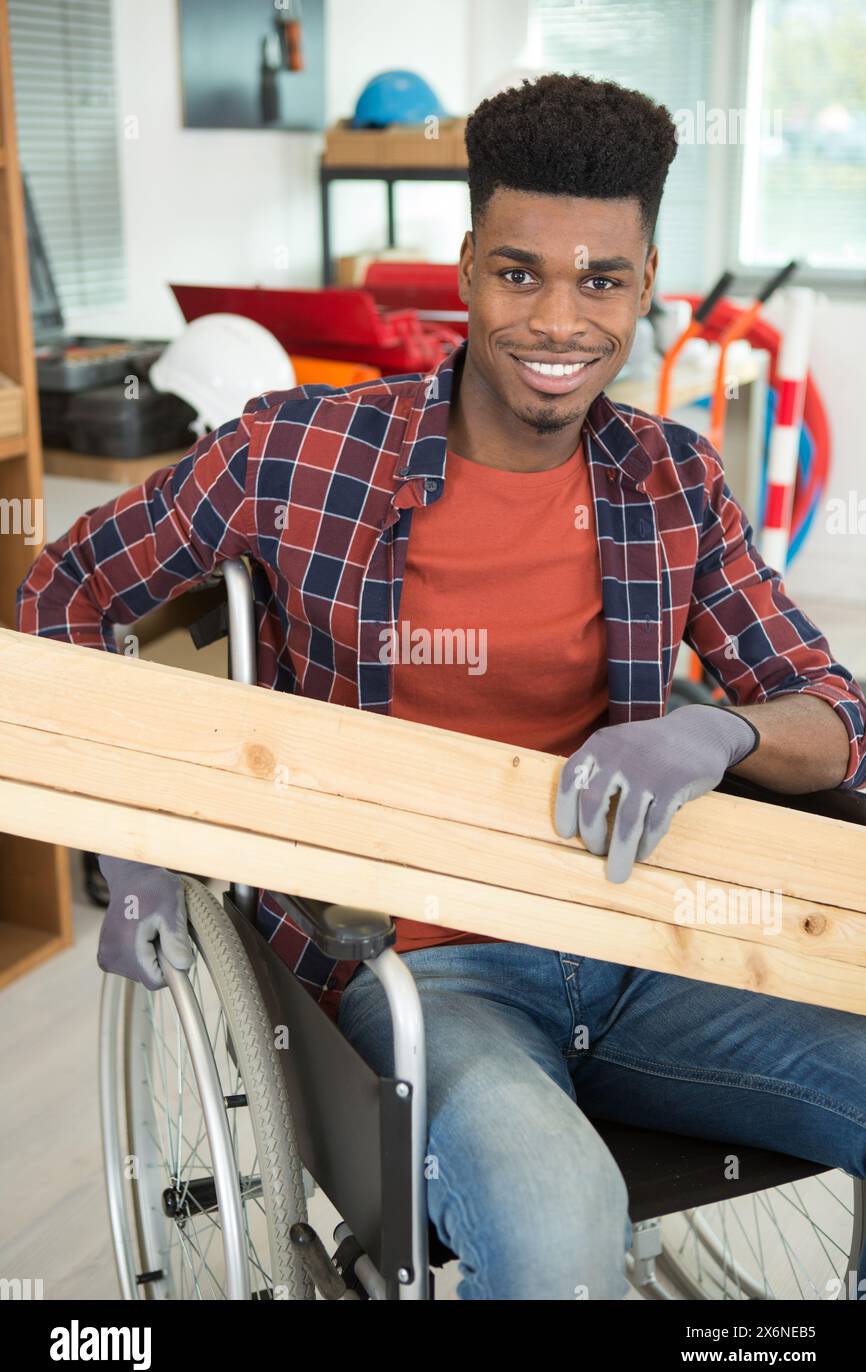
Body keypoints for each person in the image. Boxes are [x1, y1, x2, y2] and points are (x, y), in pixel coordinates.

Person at [18, 74, 866, 1301]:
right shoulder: (299, 452)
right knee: (558, 1222)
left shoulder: (671, 482)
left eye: (602, 280)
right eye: (520, 273)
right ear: (465, 267)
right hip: (418, 975)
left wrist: (717, 732)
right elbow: (66, 589)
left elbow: (834, 718)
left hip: (635, 935)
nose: (559, 320)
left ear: (645, 284)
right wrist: (130, 846)